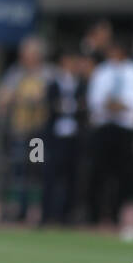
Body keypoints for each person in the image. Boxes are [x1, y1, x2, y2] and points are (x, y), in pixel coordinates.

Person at [86, 37, 133, 227]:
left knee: (122, 173)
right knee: (99, 171)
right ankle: (95, 214)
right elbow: (94, 100)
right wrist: (112, 105)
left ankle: (116, 213)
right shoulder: (102, 71)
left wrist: (114, 105)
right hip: (104, 127)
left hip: (125, 128)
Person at [0, 35, 50, 223]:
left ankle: (41, 211)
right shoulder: (15, 73)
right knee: (17, 171)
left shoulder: (47, 74)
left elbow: (46, 98)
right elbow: (3, 96)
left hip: (39, 134)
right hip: (19, 131)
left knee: (37, 170)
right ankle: (19, 209)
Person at [41, 47, 86, 226]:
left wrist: (68, 106)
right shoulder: (53, 84)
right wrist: (71, 106)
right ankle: (47, 215)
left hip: (74, 137)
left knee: (73, 177)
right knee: (50, 176)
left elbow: (82, 107)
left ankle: (68, 216)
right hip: (55, 137)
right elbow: (52, 106)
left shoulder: (81, 84)